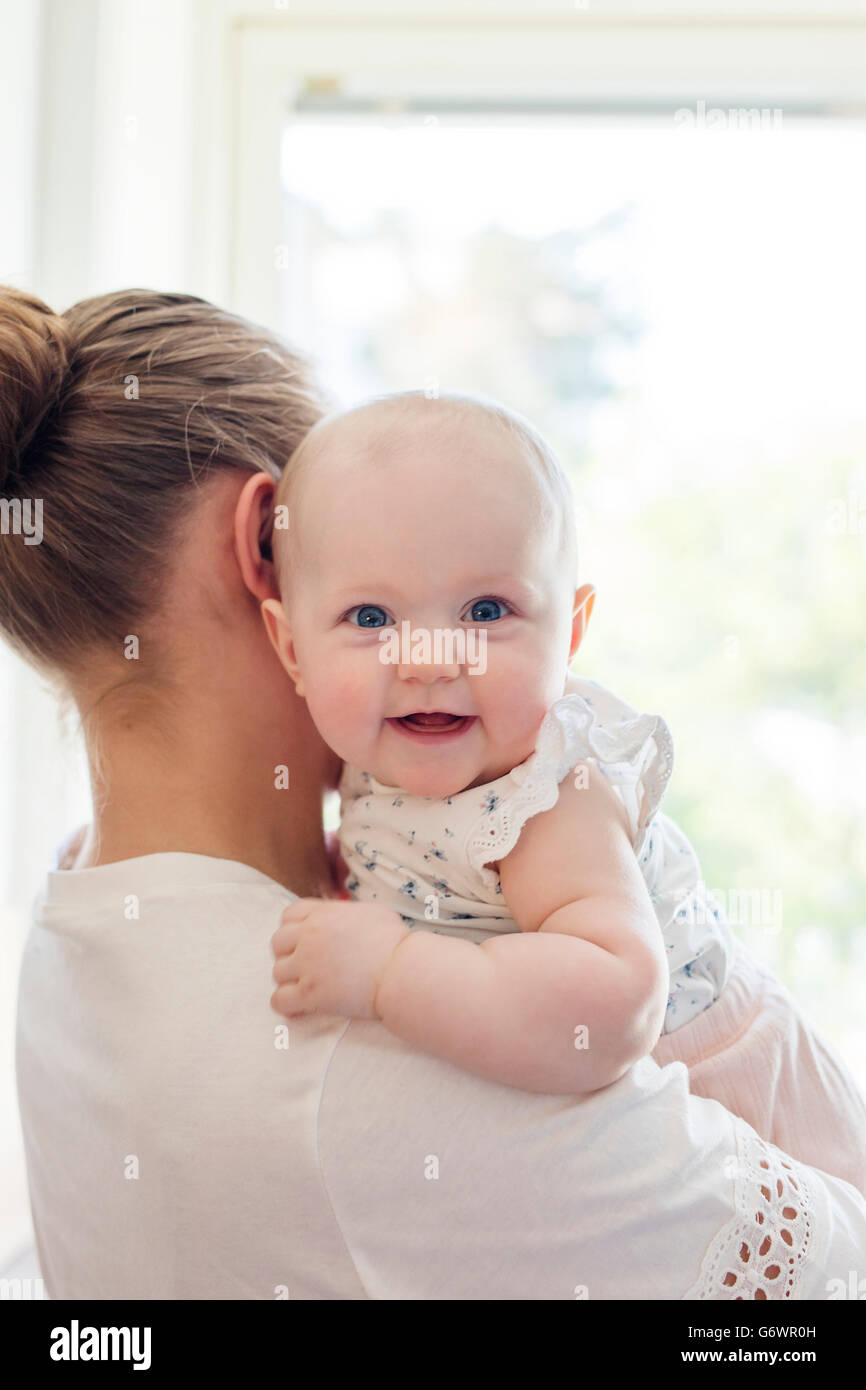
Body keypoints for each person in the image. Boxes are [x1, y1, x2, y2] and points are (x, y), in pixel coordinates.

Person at [4, 285, 865, 1301]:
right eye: (369, 602)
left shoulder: (75, 932)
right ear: (265, 550)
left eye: (485, 604)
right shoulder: (369, 1037)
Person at [262, 391, 866, 1194]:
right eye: (371, 616)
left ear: (571, 633)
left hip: (745, 1119)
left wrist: (391, 969)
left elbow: (612, 1006)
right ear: (291, 647)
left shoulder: (547, 801)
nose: (429, 661)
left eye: (486, 610)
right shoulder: (379, 755)